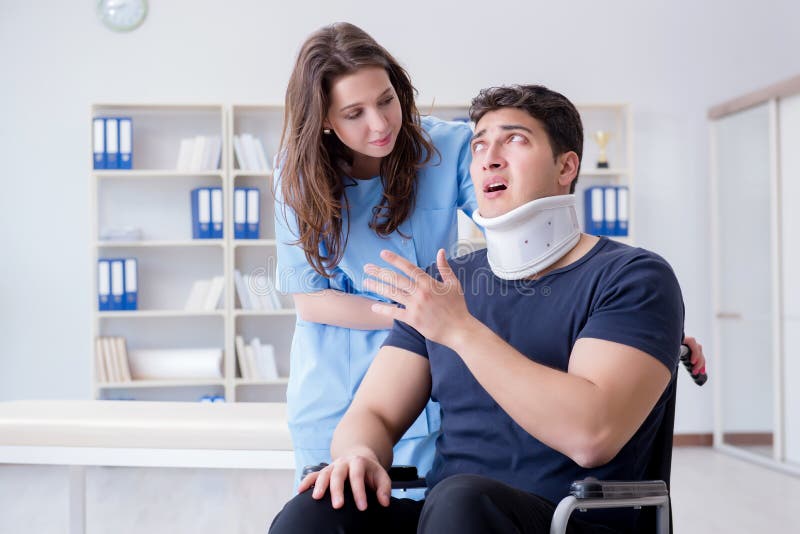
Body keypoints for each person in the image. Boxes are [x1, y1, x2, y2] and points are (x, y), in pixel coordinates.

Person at [270, 84, 688, 533]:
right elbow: (374, 413)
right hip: (452, 517)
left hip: (570, 521)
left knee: (461, 500)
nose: (490, 157)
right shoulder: (446, 285)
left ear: (567, 166)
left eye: (515, 140)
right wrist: (360, 453)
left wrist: (461, 331)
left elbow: (591, 436)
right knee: (312, 514)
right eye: (479, 145)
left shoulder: (632, 277)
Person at [273, 22, 476, 489]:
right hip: (333, 391)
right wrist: (421, 312)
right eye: (354, 113)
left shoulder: (448, 146)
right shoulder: (297, 175)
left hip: (428, 382)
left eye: (386, 100)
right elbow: (312, 300)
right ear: (324, 119)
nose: (381, 124)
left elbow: (511, 223)